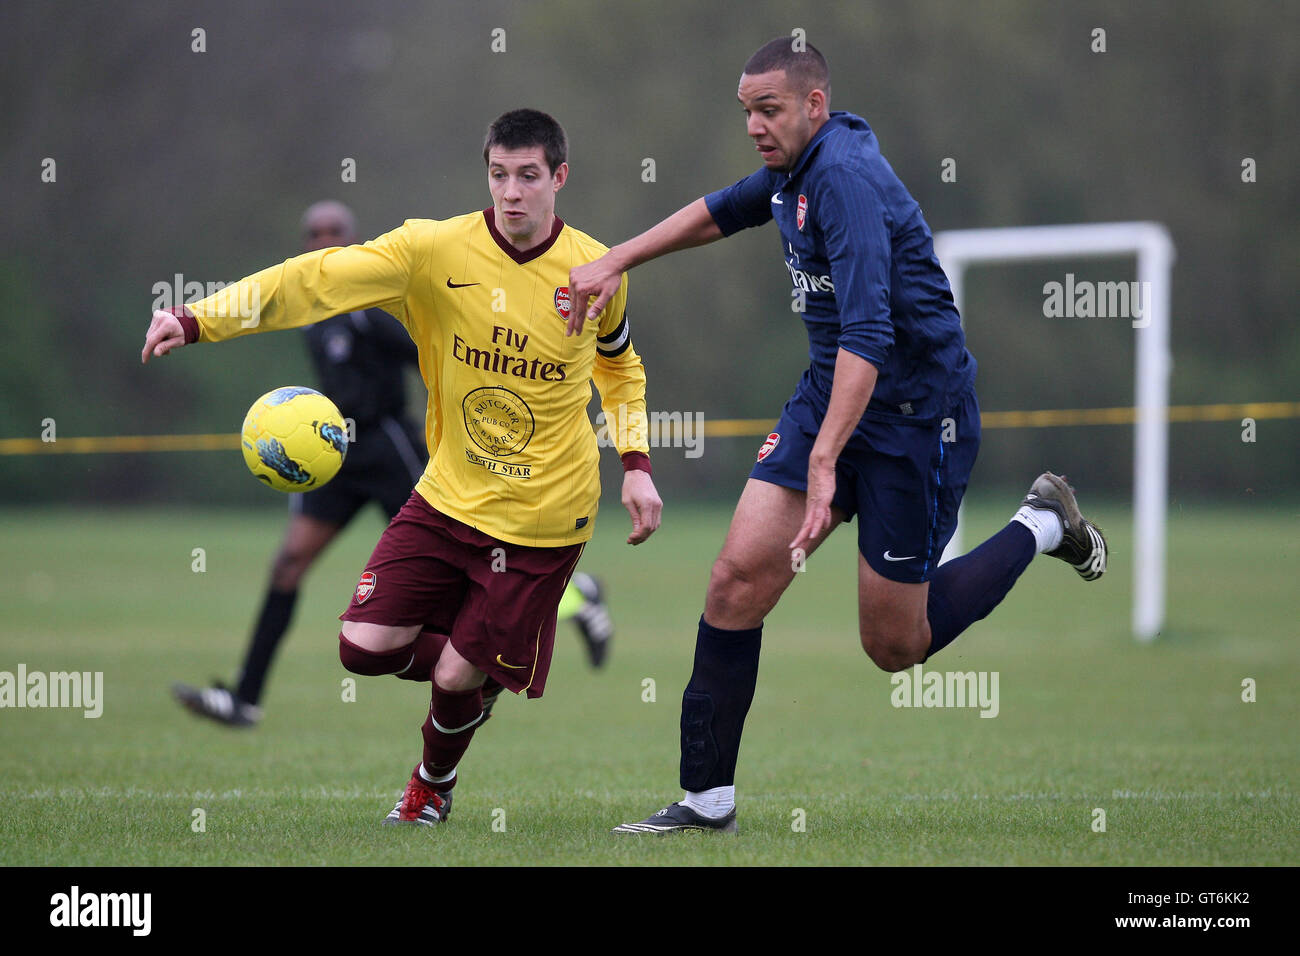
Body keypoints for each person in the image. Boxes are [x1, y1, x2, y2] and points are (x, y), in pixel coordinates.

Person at [566, 38, 1108, 834]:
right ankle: (706, 801)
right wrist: (618, 259)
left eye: (769, 109)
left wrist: (824, 463)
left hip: (917, 417)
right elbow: (723, 208)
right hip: (832, 393)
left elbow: (869, 332)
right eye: (746, 110)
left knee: (895, 646)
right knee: (734, 582)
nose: (754, 124)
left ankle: (1043, 522)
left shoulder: (845, 181)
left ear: (813, 105)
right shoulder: (794, 169)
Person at [144, 108, 661, 825]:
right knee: (362, 646)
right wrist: (200, 318)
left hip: (545, 519)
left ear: (559, 178)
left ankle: (430, 788)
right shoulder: (431, 251)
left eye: (529, 176)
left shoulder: (597, 268)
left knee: (452, 675)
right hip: (446, 497)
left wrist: (636, 461)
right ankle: (486, 661)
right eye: (499, 174)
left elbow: (620, 367)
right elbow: (311, 281)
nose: (512, 192)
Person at [172, 201, 617, 730]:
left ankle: (570, 600)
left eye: (335, 231)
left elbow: (434, 351)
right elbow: (290, 292)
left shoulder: (370, 309)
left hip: (388, 446)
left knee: (466, 562)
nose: (325, 240)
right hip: (333, 456)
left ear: (353, 236)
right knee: (289, 563)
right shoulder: (315, 316)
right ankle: (245, 698)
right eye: (314, 233)